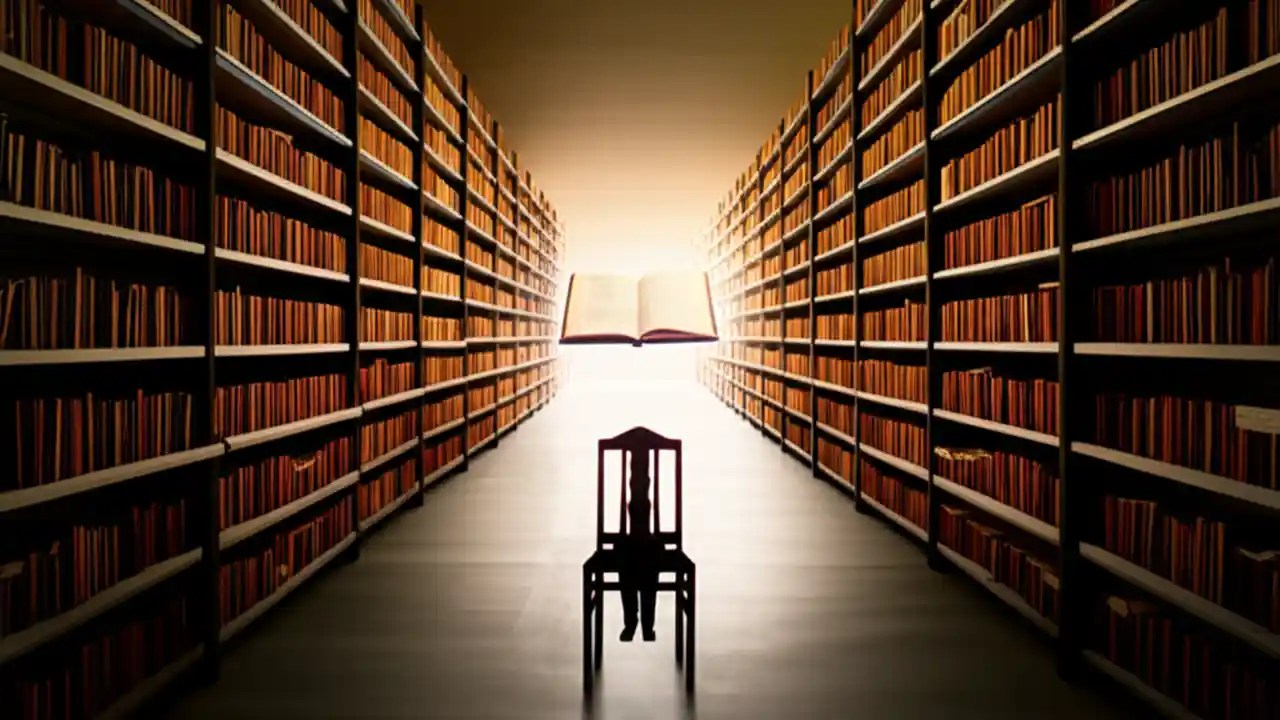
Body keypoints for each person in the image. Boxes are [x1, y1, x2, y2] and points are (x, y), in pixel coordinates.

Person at [619, 449, 658, 642]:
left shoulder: (636, 498)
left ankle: (631, 620)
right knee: (652, 555)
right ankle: (647, 624)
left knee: (625, 554)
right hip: (647, 544)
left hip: (632, 544)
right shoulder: (644, 494)